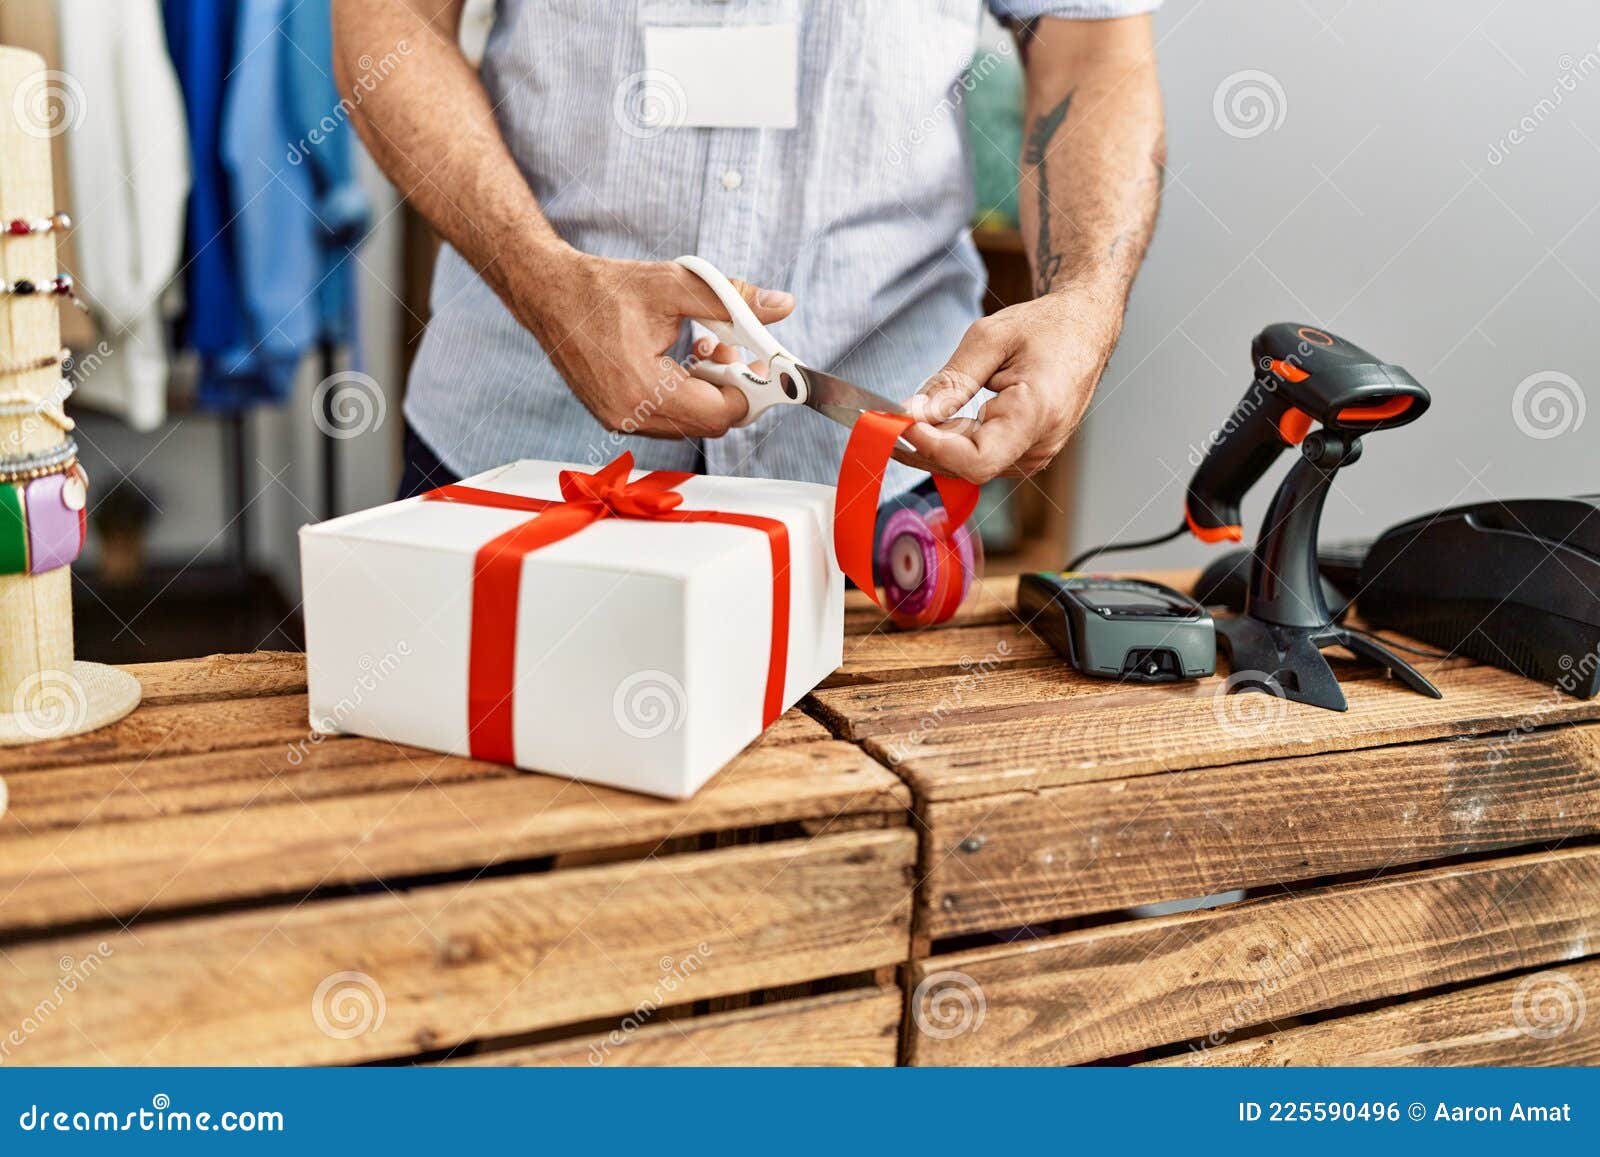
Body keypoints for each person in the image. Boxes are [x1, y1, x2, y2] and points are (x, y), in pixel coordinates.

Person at [333, 0, 1165, 498]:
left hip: (874, 478)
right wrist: (543, 282)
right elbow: (390, 17)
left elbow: (1092, 52)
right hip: (518, 453)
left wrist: (1085, 299)